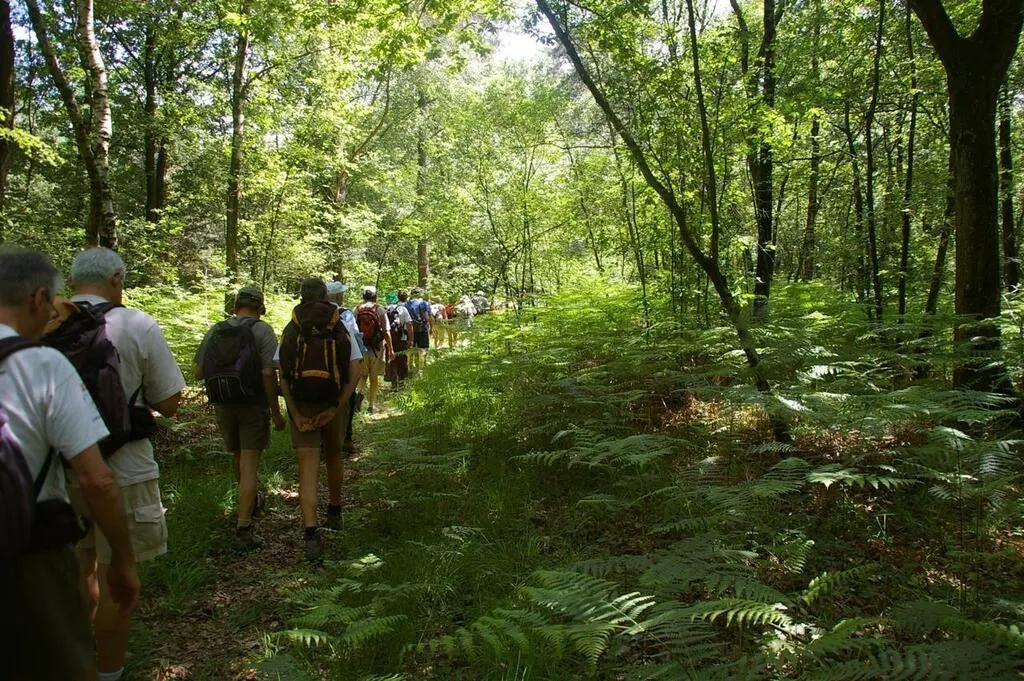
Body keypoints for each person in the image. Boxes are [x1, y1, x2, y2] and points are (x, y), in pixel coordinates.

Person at [0, 247, 140, 681]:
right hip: (29, 550)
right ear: (39, 298)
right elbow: (96, 478)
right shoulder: (39, 363)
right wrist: (123, 557)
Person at [64, 247, 185, 681]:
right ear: (117, 278)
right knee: (118, 573)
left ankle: (76, 663)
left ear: (72, 280)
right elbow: (169, 402)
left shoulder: (44, 325)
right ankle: (109, 673)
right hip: (125, 467)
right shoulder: (136, 324)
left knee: (81, 566)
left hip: (58, 472)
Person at [194, 286, 285, 551]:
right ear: (261, 308)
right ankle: (244, 525)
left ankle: (249, 504)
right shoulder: (263, 331)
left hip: (223, 403)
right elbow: (269, 374)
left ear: (235, 306)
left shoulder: (217, 329)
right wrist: (276, 412)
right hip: (252, 405)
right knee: (250, 466)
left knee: (238, 458)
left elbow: (199, 372)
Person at [279, 278, 360, 562]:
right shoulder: (340, 323)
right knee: (335, 456)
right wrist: (336, 408)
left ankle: (311, 532)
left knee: (307, 471)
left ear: (301, 296)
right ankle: (335, 510)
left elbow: (284, 375)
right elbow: (355, 369)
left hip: (302, 403)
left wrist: (296, 413)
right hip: (331, 402)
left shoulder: (293, 327)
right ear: (326, 296)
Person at [326, 281, 366, 454]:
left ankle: (321, 443)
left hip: (318, 366)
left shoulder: (309, 314)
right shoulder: (345, 314)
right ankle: (346, 439)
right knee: (348, 399)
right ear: (337, 296)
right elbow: (355, 338)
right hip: (341, 366)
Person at [355, 285, 393, 414]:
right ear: (375, 296)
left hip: (361, 348)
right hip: (377, 348)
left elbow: (353, 330)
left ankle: (358, 395)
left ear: (363, 296)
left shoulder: (357, 309)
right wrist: (391, 349)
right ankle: (372, 405)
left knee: (362, 375)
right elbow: (386, 331)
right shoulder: (380, 309)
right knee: (374, 377)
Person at [385, 289, 414, 389]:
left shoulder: (385, 309)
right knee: (402, 360)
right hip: (402, 338)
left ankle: (393, 384)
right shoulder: (402, 309)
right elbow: (409, 324)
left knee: (391, 360)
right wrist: (411, 339)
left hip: (389, 339)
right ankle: (402, 384)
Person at [406, 286, 431, 372]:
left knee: (411, 349)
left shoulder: (407, 304)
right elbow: (426, 317)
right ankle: (421, 368)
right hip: (422, 329)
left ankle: (410, 368)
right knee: (422, 349)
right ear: (419, 294)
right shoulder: (423, 303)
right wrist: (430, 325)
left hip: (410, 330)